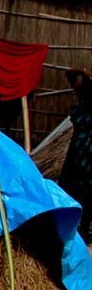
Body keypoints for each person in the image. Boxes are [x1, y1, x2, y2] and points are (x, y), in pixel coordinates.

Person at [60, 68, 92, 237]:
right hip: (80, 146)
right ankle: (80, 227)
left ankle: (84, 227)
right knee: (78, 186)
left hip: (87, 148)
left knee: (85, 186)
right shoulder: (83, 98)